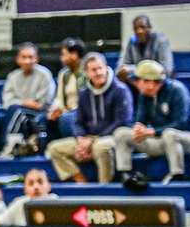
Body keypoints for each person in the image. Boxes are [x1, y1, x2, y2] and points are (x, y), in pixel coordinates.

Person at [47, 53, 130, 183]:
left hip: (112, 137)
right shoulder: (84, 93)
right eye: (93, 70)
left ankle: (104, 188)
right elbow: (78, 121)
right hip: (88, 140)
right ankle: (82, 183)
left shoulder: (120, 90)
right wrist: (80, 139)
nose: (98, 73)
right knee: (54, 149)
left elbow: (122, 122)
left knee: (101, 148)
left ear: (106, 68)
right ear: (86, 72)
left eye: (100, 68)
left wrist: (91, 140)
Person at [113, 60, 190, 183]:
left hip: (186, 139)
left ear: (151, 82)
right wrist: (138, 129)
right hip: (161, 140)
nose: (136, 83)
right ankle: (125, 174)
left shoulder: (177, 90)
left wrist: (150, 132)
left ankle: (177, 174)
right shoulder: (144, 95)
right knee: (121, 133)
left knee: (170, 133)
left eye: (139, 80)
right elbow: (140, 120)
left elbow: (181, 123)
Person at [0, 44, 55, 157]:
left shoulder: (44, 75)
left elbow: (42, 104)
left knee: (17, 110)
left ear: (36, 59)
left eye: (30, 57)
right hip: (14, 113)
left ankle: (7, 147)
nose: (27, 60)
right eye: (24, 57)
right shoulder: (12, 77)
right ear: (18, 59)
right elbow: (7, 103)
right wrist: (26, 102)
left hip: (38, 114)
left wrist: (19, 102)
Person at [43, 38, 86, 146]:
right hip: (66, 110)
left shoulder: (87, 71)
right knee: (47, 118)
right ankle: (52, 150)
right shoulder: (63, 74)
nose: (61, 58)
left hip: (81, 111)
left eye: (64, 55)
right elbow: (59, 98)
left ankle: (75, 148)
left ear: (75, 55)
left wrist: (68, 111)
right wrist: (57, 109)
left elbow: (86, 99)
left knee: (66, 119)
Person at [116, 14, 174, 84]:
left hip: (159, 83)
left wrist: (133, 70)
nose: (139, 31)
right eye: (136, 28)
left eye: (143, 27)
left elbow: (166, 69)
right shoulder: (131, 42)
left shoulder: (161, 41)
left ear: (150, 28)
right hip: (138, 84)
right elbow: (121, 68)